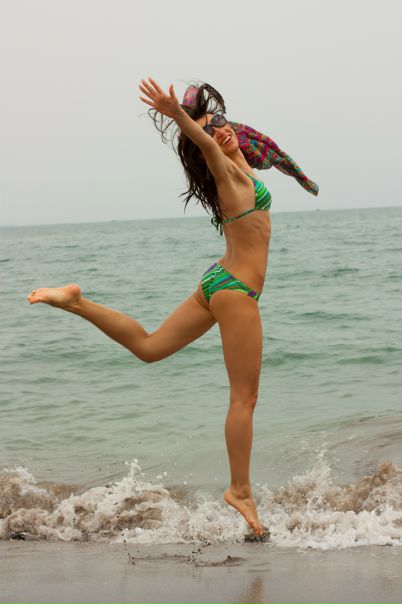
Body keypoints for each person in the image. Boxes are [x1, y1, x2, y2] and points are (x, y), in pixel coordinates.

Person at [27, 77, 317, 540]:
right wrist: (180, 117)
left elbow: (250, 145)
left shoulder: (240, 168)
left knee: (149, 348)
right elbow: (209, 143)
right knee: (244, 399)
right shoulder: (225, 173)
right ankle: (240, 490)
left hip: (216, 282)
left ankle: (76, 302)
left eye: (221, 122)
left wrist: (226, 131)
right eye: (210, 130)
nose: (219, 131)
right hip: (237, 292)